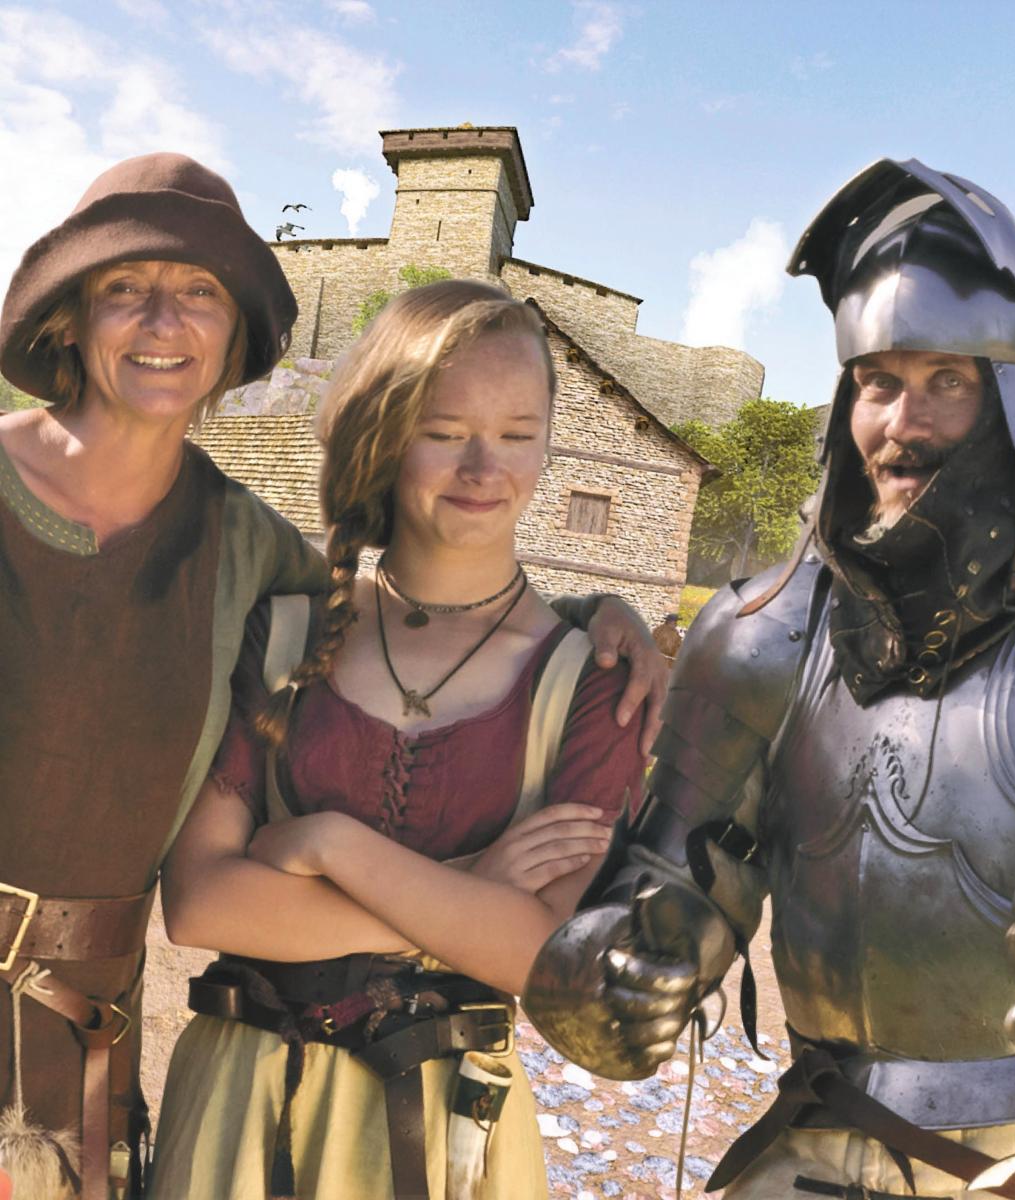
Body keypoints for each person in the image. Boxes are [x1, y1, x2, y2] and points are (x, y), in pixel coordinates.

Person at [524, 160, 1015, 1199]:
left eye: (946, 382)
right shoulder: (766, 630)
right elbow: (674, 877)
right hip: (818, 1154)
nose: (900, 424)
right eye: (878, 382)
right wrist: (619, 964)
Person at [0, 156, 663, 1200]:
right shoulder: (273, 609)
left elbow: (438, 592)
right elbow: (205, 901)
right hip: (201, 1075)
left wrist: (598, 616)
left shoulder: (254, 557)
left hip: (82, 1033)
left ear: (233, 336)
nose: (165, 322)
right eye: (126, 285)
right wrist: (464, 902)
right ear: (70, 316)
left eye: (201, 290)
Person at [148, 280, 648, 1200]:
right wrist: (467, 892)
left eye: (518, 434)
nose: (484, 468)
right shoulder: (284, 633)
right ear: (382, 434)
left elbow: (539, 960)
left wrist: (331, 845)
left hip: (451, 1137)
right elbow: (201, 904)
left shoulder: (593, 682)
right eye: (445, 431)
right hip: (241, 1112)